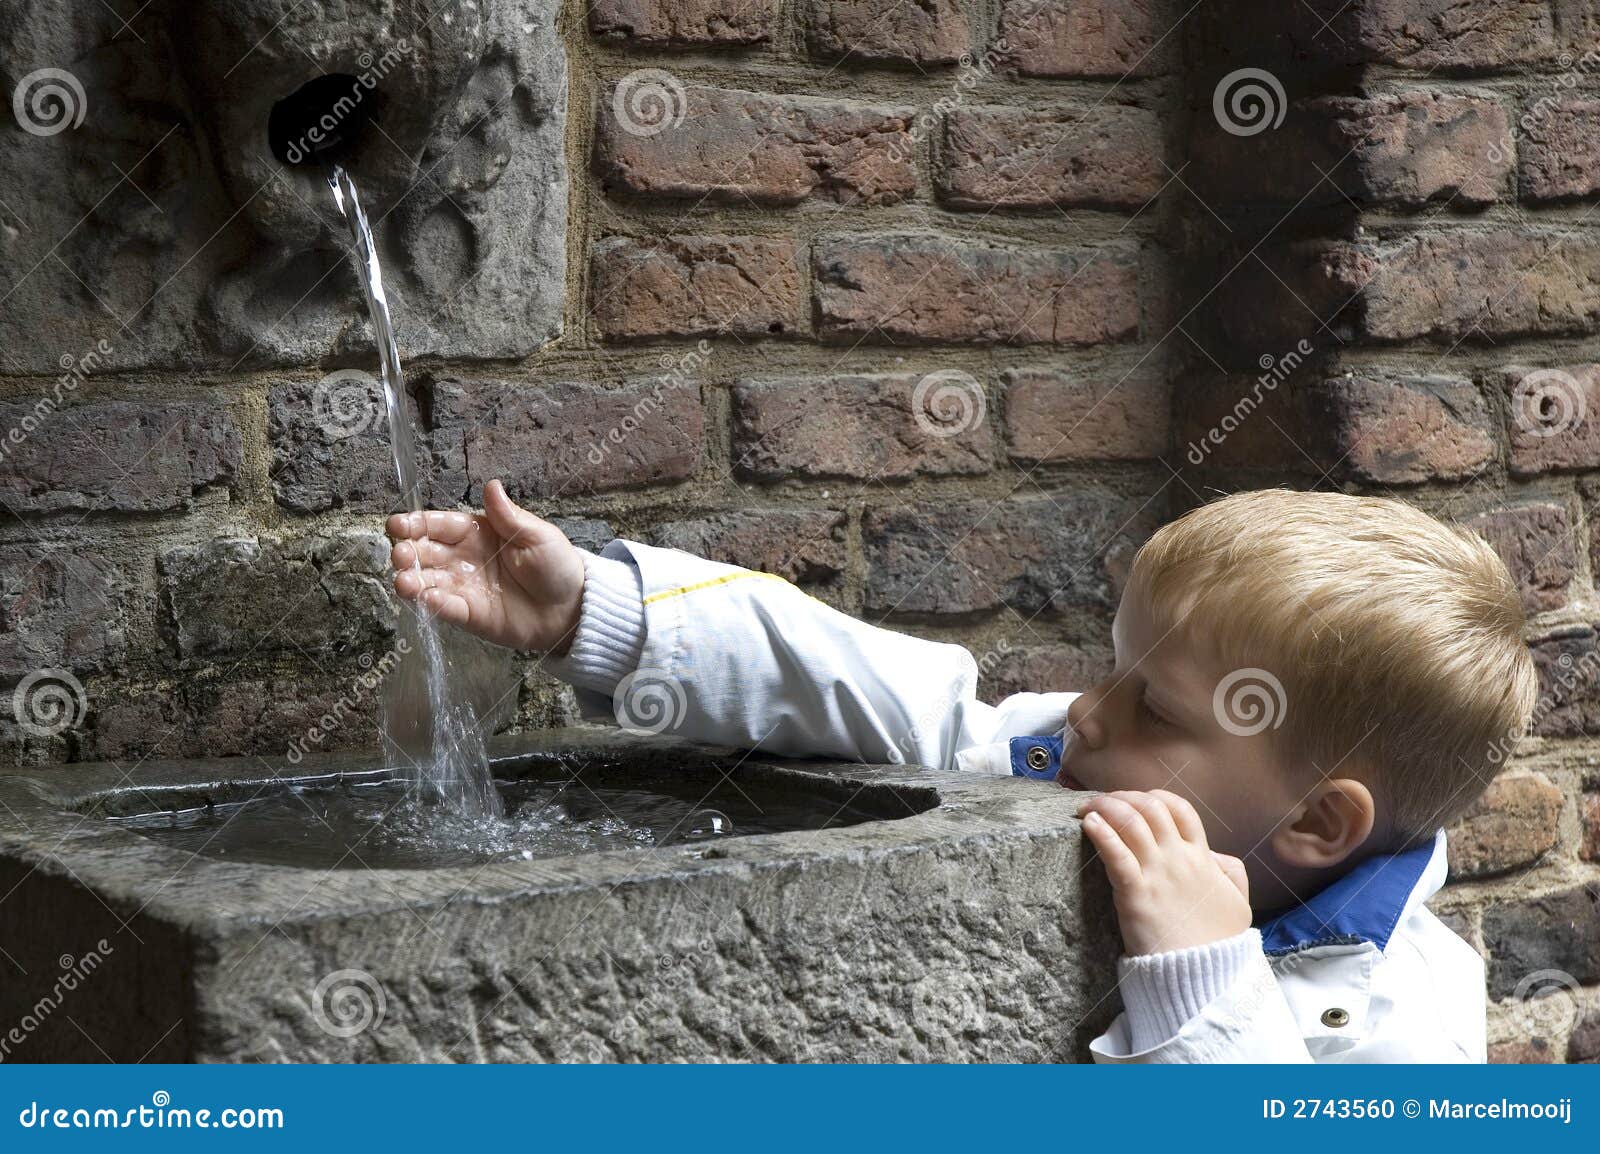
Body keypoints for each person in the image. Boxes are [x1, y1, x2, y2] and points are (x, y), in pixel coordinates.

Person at [387, 483, 1537, 1062]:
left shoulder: (1411, 1007)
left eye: (1156, 704)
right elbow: (879, 692)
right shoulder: (1073, 757)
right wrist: (600, 608)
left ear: (1320, 822)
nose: (1087, 707)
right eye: (1114, 667)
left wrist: (1206, 979)